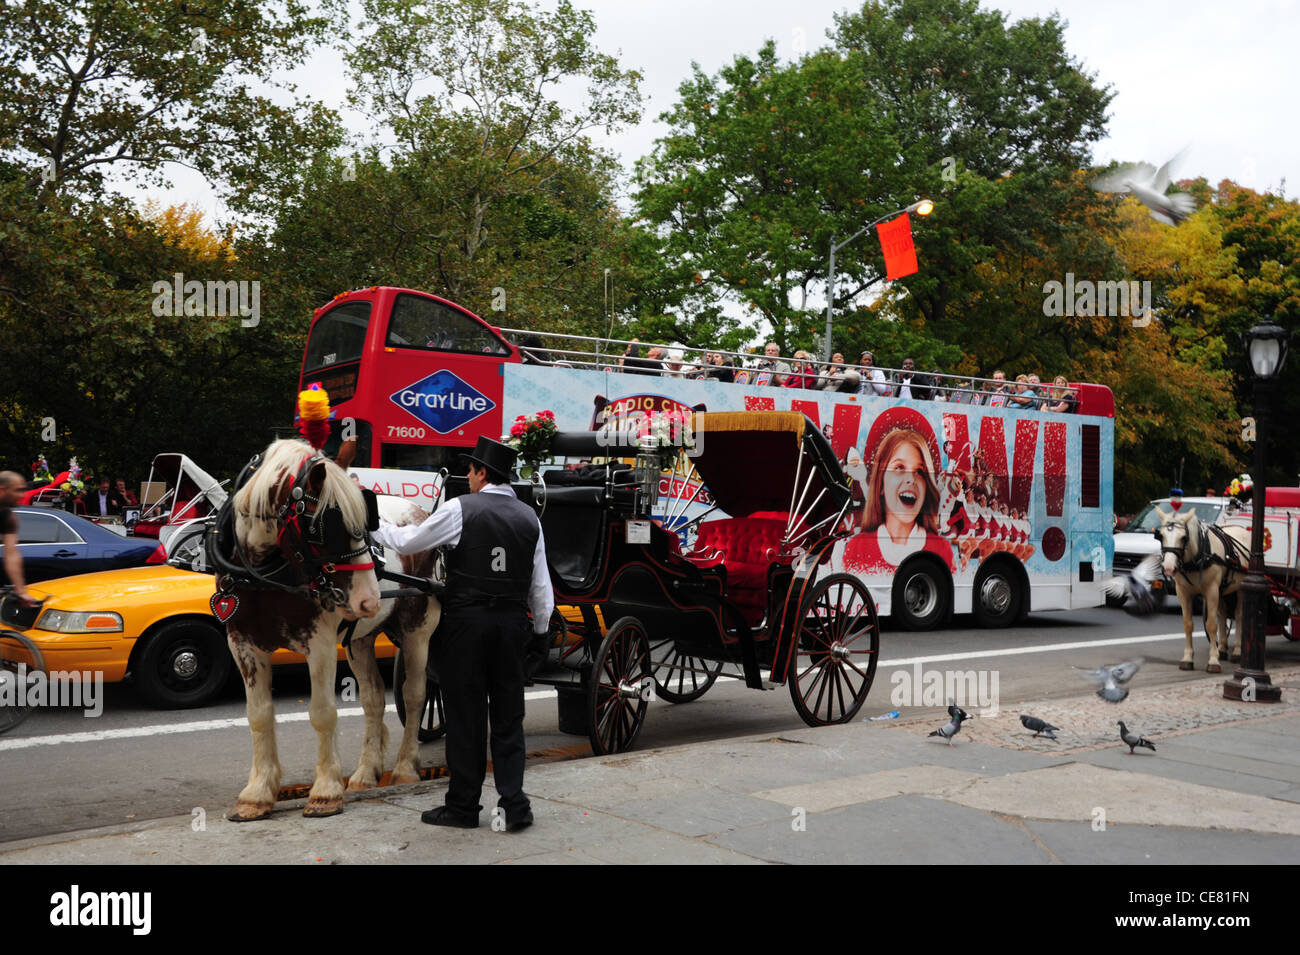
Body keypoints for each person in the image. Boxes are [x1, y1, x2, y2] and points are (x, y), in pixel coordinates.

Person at [371, 436, 554, 832]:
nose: (468, 478)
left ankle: (463, 806)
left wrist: (373, 522)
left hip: (467, 625)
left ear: (483, 473)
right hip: (511, 626)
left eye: (471, 471)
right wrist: (540, 633)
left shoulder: (459, 509)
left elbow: (407, 541)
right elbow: (541, 588)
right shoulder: (529, 518)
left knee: (466, 716)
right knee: (508, 718)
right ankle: (514, 807)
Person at [842, 427, 955, 573]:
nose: (910, 479)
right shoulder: (857, 548)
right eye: (899, 467)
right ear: (881, 484)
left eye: (919, 471)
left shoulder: (942, 550)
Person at [1, 472, 33, 603]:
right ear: (2, 490)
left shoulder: (8, 518)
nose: (23, 495)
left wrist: (21, 592)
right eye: (18, 490)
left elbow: (12, 554)